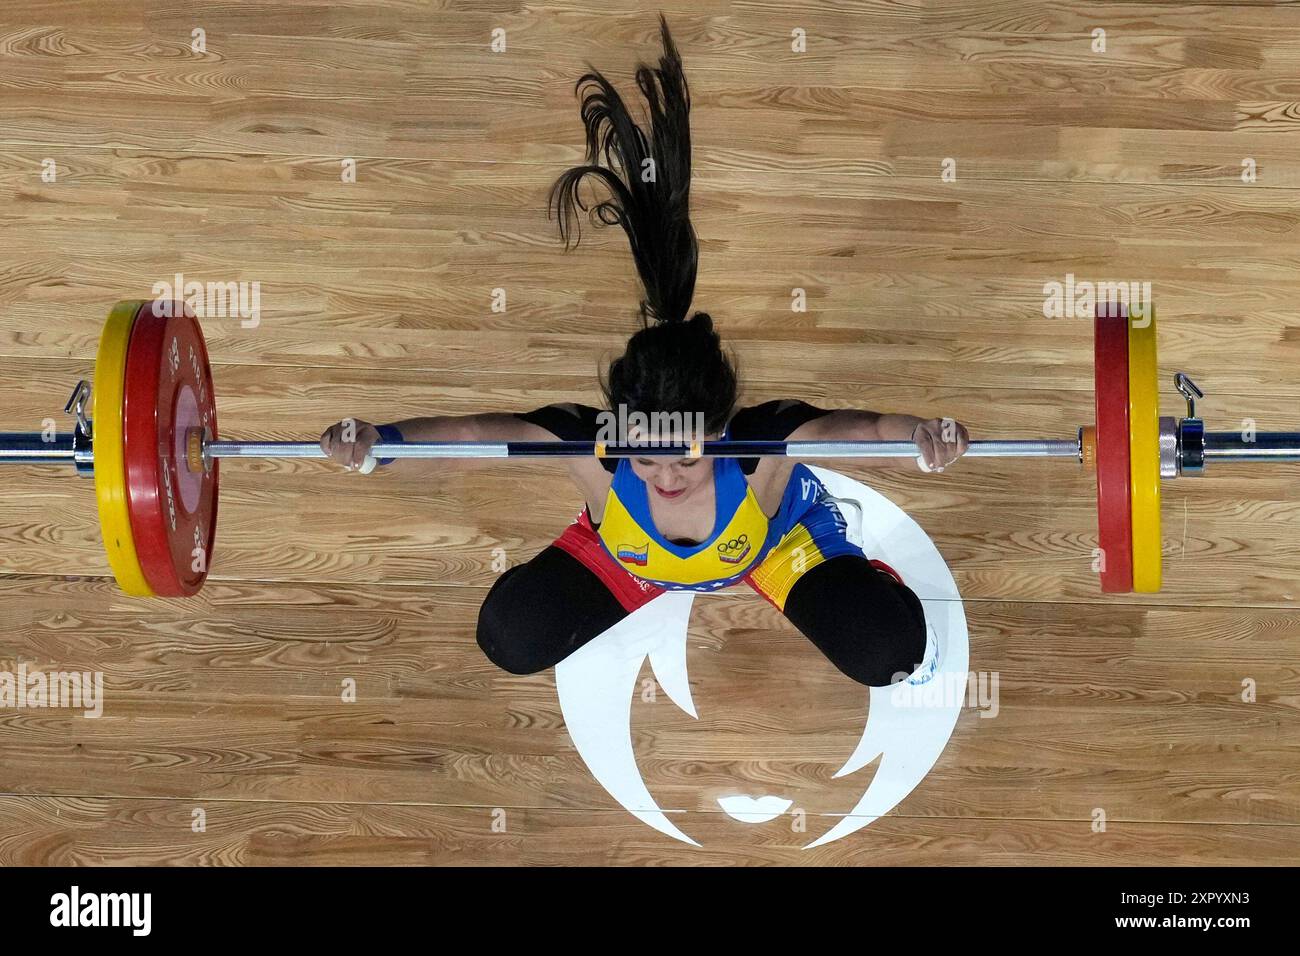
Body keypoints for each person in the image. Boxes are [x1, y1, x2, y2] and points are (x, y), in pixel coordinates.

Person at [320, 16, 969, 685]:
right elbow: (473, 434)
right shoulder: (591, 444)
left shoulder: (759, 447)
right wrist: (382, 443)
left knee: (888, 652)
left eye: (683, 458)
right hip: (628, 559)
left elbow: (858, 430)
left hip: (774, 549)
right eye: (646, 456)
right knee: (510, 636)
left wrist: (921, 433)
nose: (663, 478)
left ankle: (867, 583)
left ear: (716, 431)